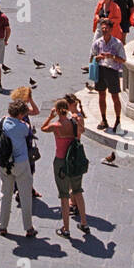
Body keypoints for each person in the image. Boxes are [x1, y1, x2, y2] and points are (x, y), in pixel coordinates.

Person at [42, 97, 89, 237]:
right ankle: (84, 223)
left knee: (64, 196)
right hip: (74, 160)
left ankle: (66, 228)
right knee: (78, 191)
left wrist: (50, 117)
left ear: (57, 111)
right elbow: (82, 130)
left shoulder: (55, 126)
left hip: (61, 162)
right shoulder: (73, 123)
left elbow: (43, 128)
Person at [0, 99, 37, 239]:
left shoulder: (0, 123)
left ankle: (2, 225)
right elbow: (27, 133)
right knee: (25, 195)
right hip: (20, 163)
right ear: (20, 114)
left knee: (5, 194)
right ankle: (28, 227)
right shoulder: (22, 126)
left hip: (4, 162)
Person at [90, 19, 126, 132]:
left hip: (112, 71)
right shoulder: (97, 42)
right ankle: (104, 119)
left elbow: (123, 60)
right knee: (101, 95)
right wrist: (97, 58)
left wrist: (112, 57)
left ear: (111, 29)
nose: (104, 30)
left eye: (106, 28)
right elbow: (92, 57)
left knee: (115, 96)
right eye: (102, 28)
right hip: (101, 69)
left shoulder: (117, 43)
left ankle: (118, 120)